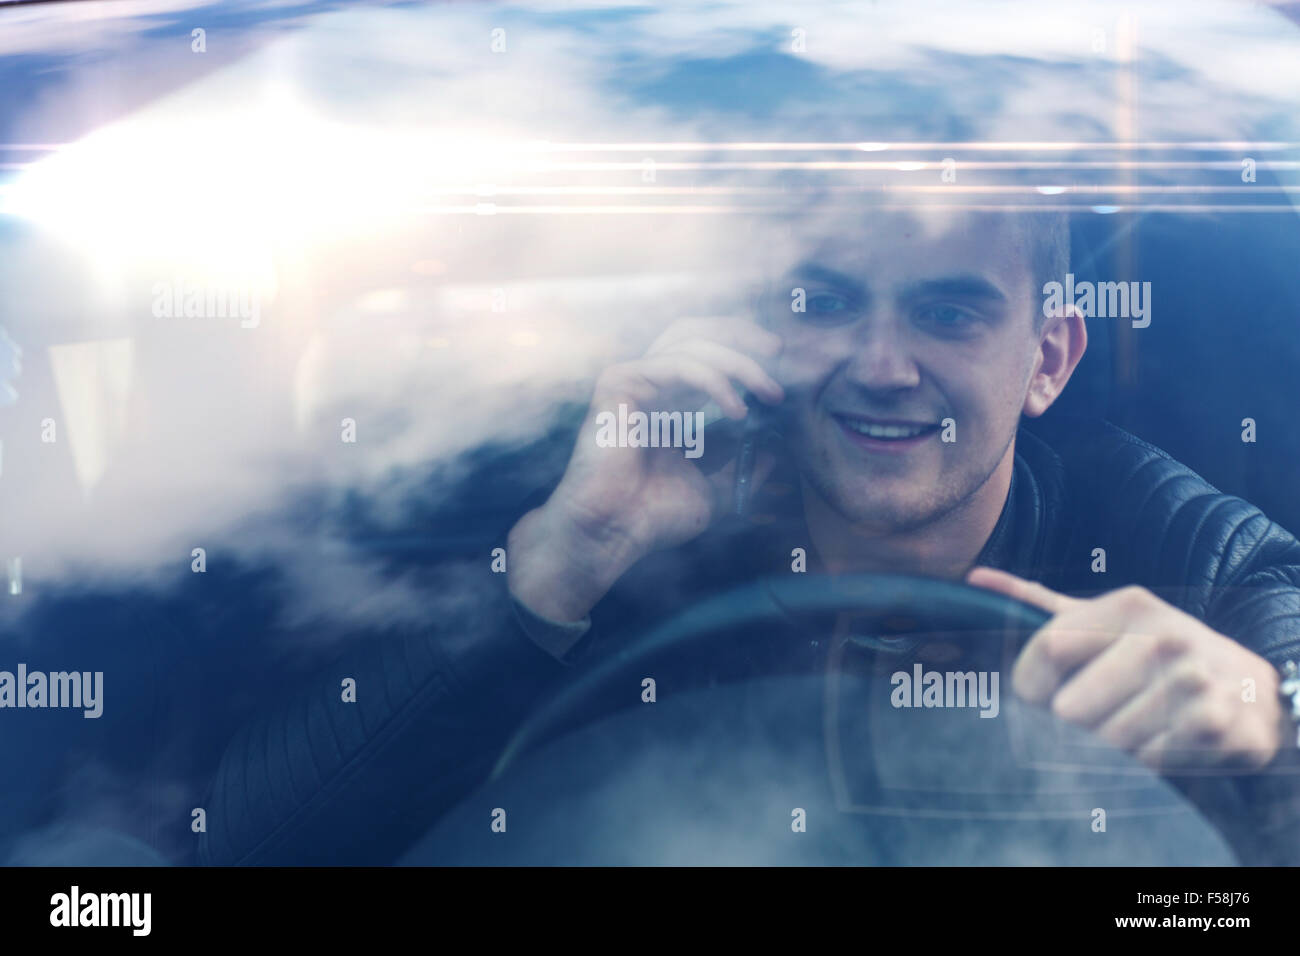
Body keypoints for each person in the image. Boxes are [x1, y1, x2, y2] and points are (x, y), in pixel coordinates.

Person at [197, 208, 1300, 866]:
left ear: (1049, 358)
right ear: (767, 326)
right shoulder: (649, 538)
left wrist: (1271, 712)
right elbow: (240, 851)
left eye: (947, 312)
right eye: (824, 301)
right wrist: (559, 562)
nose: (877, 361)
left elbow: (1281, 639)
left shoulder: (1177, 546)